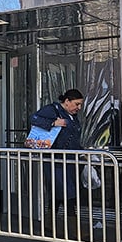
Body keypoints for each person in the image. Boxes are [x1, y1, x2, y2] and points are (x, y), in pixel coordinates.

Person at [30, 89, 84, 233]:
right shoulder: (53, 110)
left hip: (69, 160)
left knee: (58, 193)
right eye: (76, 104)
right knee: (67, 193)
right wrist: (54, 122)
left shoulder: (72, 116)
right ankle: (74, 229)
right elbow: (34, 118)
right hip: (56, 160)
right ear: (67, 101)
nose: (78, 108)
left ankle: (48, 224)